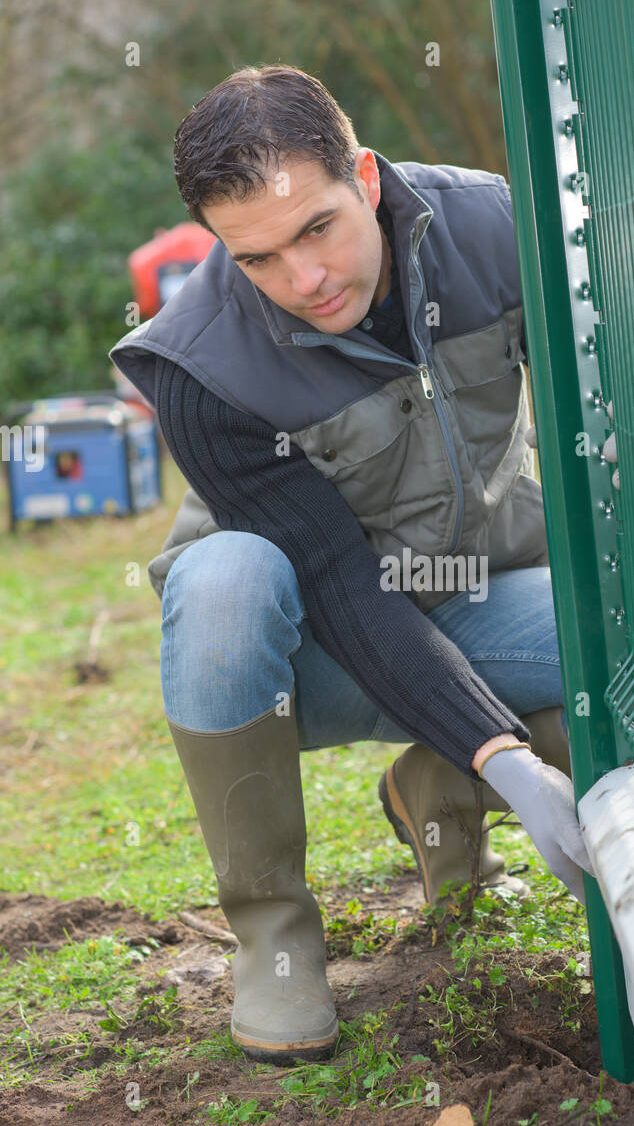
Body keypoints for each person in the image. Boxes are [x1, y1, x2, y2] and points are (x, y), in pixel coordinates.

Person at [109, 64, 595, 1066]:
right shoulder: (196, 367)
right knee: (226, 577)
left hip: (471, 592)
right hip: (299, 658)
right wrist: (511, 756)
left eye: (318, 227)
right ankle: (276, 935)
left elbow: (603, 413)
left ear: (365, 177)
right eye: (260, 258)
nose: (305, 279)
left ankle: (437, 782)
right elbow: (336, 582)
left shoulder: (495, 228)